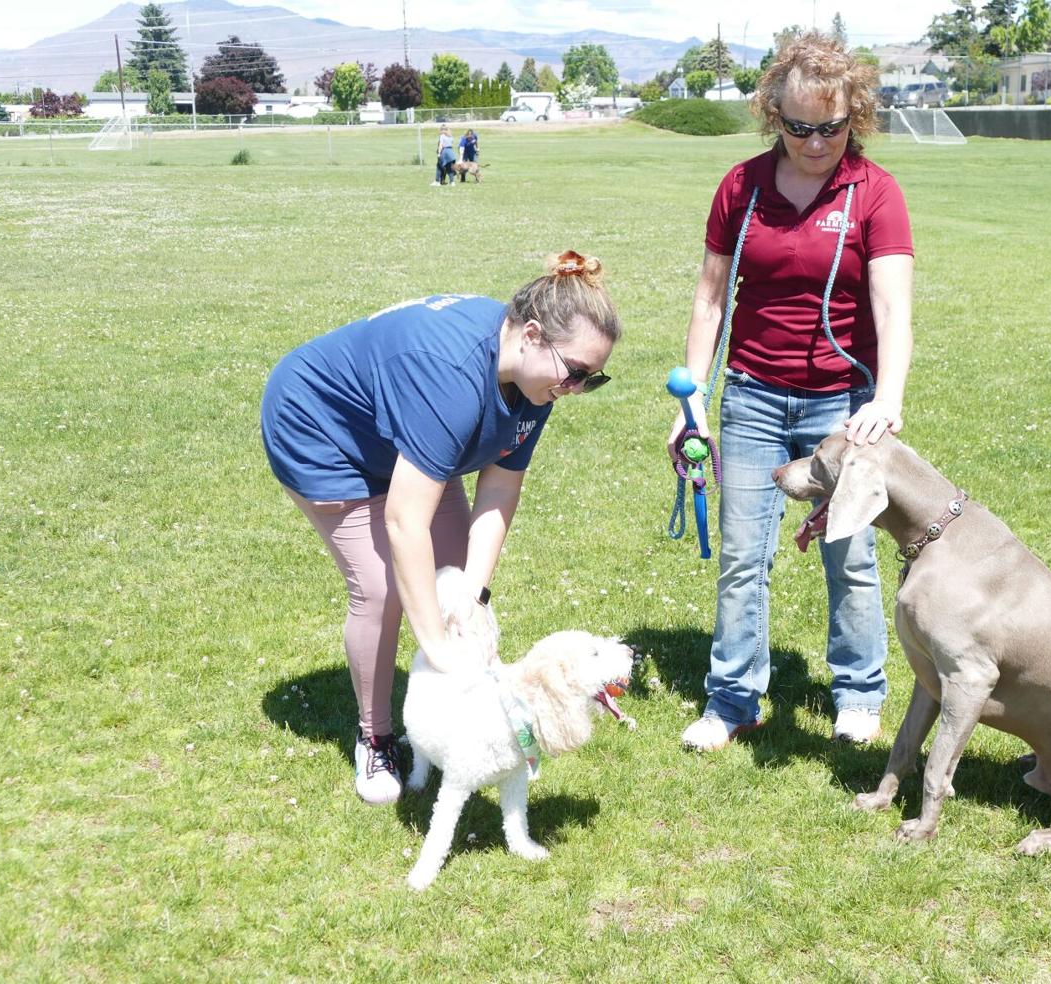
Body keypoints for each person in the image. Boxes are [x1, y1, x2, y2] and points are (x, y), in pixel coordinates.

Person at [262, 252, 620, 803]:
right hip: (321, 430)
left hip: (407, 435)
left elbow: (500, 489)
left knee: (456, 583)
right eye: (575, 373)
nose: (575, 388)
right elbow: (405, 522)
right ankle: (375, 738)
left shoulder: (538, 378)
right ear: (530, 334)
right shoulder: (452, 377)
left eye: (590, 380)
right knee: (383, 589)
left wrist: (473, 596)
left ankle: (487, 720)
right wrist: (435, 642)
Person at [668, 32, 915, 752]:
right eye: (797, 126)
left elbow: (892, 307)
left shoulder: (875, 192)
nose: (814, 142)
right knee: (744, 555)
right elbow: (710, 301)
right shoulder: (740, 188)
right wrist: (691, 408)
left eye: (830, 127)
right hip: (751, 395)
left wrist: (887, 396)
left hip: (844, 405)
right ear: (773, 114)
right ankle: (733, 699)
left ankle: (859, 693)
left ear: (854, 115)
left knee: (852, 554)